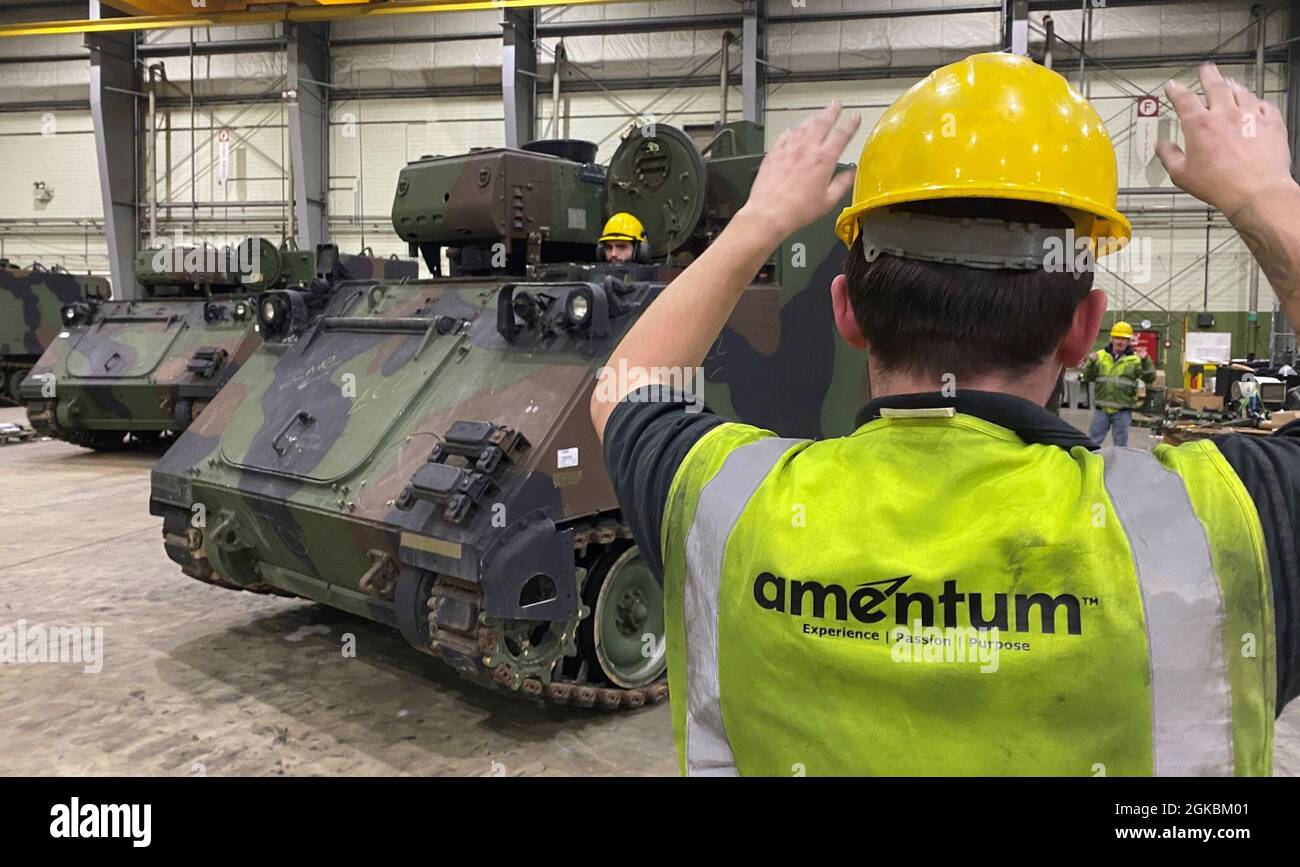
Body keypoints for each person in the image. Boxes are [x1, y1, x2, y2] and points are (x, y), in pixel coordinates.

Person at [589, 53, 1300, 776]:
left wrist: (758, 222)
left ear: (847, 312)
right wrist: (1265, 195)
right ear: (1084, 331)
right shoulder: (1220, 534)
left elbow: (626, 385)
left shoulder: (727, 508)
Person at [1082, 320, 1157, 446]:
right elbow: (1088, 377)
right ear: (1112, 338)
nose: (1120, 341)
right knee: (1092, 443)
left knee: (1121, 447)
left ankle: (1119, 466)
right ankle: (1091, 464)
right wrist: (1091, 364)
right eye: (1117, 338)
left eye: (1123, 338)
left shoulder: (1135, 360)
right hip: (1102, 410)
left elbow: (1150, 378)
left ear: (1129, 341)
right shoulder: (1100, 356)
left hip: (1123, 411)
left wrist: (1145, 361)